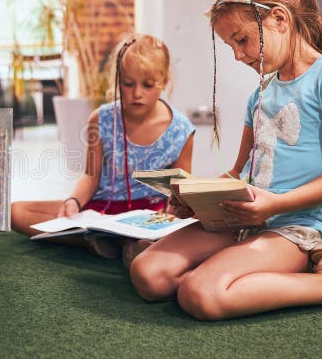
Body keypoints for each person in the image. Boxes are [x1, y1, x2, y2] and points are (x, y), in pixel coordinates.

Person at [129, 0, 322, 320]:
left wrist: (275, 205)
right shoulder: (260, 93)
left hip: (293, 228)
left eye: (242, 40)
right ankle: (237, 270)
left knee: (200, 294)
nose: (238, 55)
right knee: (148, 274)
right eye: (230, 46)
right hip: (241, 219)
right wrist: (195, 199)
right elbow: (240, 172)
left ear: (279, 19)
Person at [11, 34, 195, 265]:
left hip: (150, 214)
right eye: (128, 84)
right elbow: (90, 176)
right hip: (101, 209)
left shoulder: (181, 129)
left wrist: (170, 214)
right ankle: (105, 240)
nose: (137, 93)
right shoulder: (101, 119)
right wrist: (74, 202)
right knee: (17, 213)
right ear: (118, 81)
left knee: (143, 246)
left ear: (164, 81)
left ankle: (108, 242)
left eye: (148, 85)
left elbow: (180, 188)